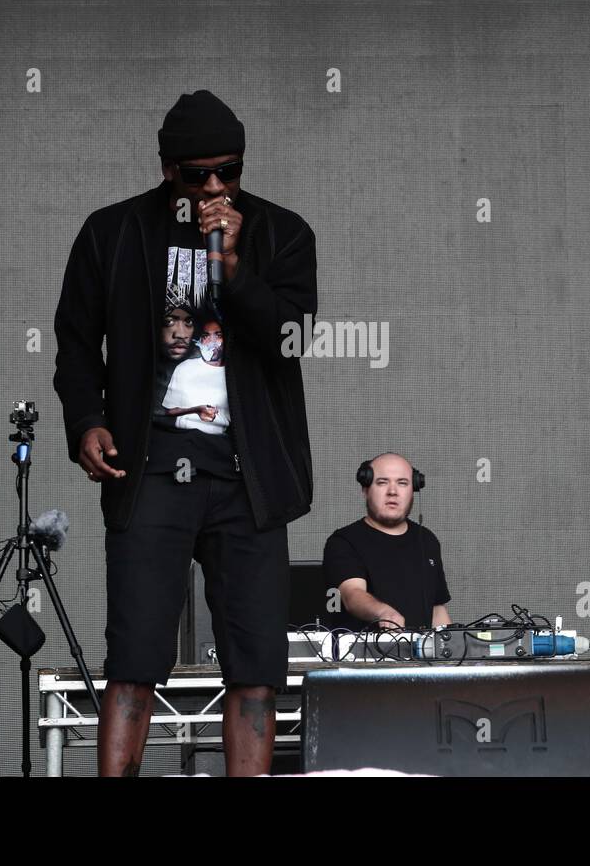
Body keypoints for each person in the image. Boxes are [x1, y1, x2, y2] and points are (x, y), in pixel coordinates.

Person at [52, 89, 318, 776]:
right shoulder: (113, 233)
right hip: (151, 465)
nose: (213, 187)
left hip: (247, 475)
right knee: (136, 660)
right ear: (167, 168)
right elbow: (77, 344)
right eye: (197, 173)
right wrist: (87, 421)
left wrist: (232, 269)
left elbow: (291, 340)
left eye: (227, 171)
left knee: (256, 667)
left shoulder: (281, 233)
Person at [323, 453, 452, 632]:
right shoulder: (343, 541)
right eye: (382, 482)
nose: (393, 491)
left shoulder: (427, 540)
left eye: (402, 483)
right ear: (365, 489)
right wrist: (384, 612)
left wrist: (453, 647)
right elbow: (352, 595)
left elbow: (437, 610)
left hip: (420, 657)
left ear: (413, 488)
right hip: (364, 657)